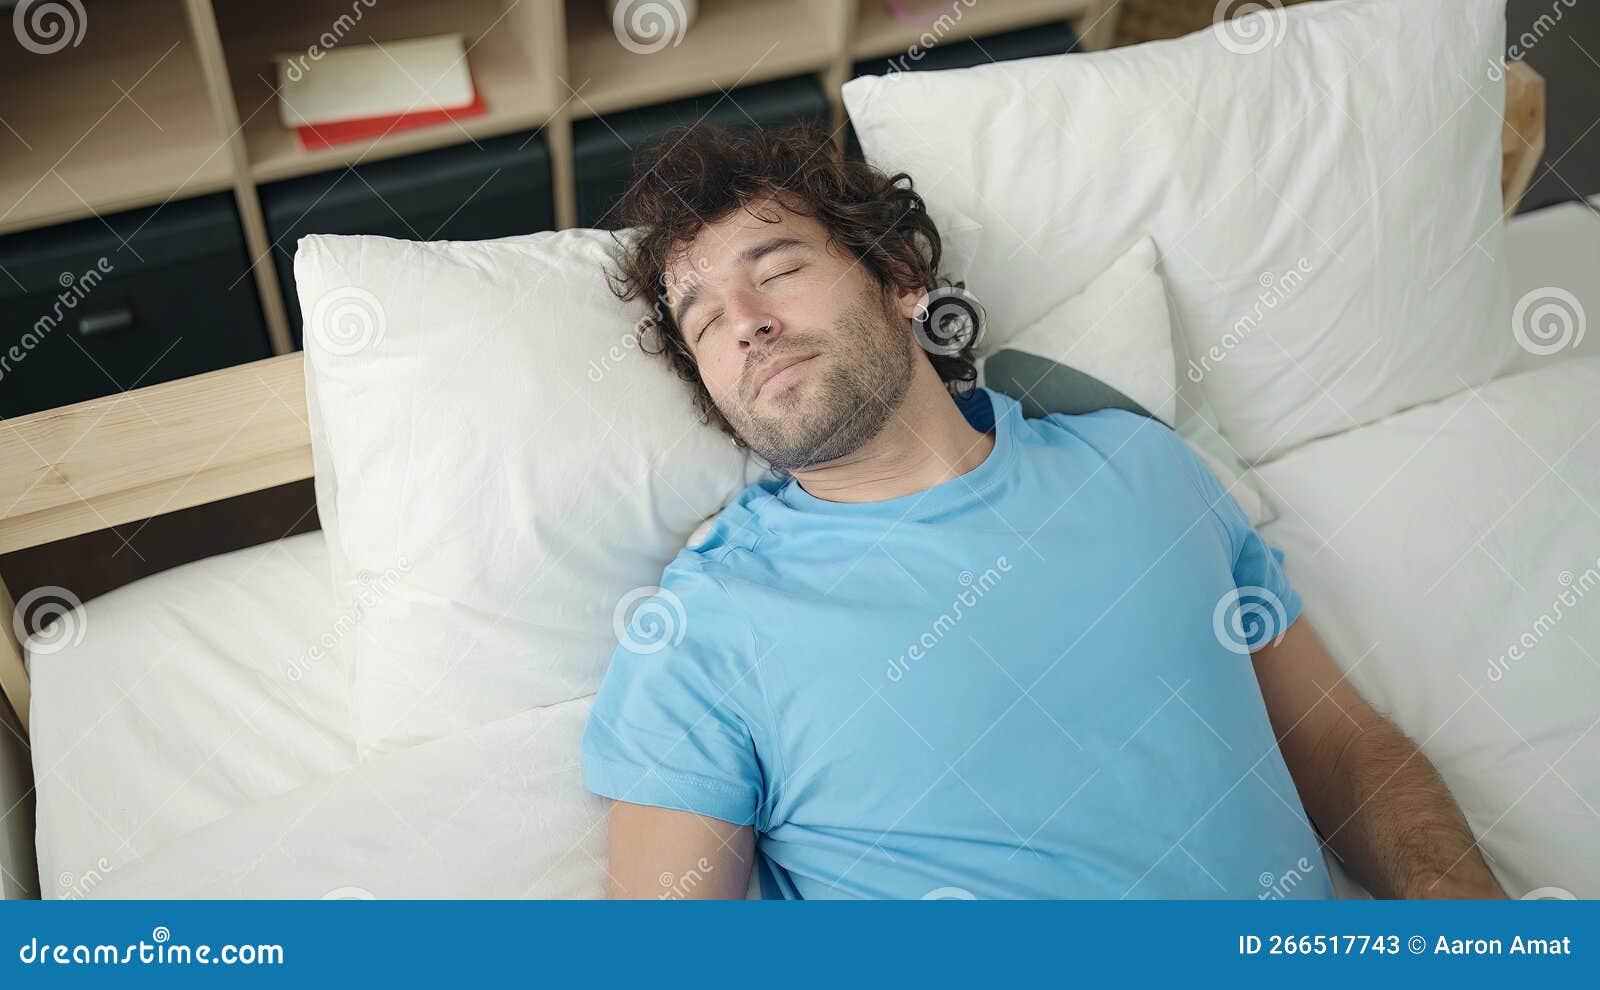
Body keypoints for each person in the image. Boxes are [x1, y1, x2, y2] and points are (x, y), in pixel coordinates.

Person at [581, 122, 1505, 900]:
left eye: (776, 269)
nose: (744, 321)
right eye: (703, 321)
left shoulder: (1141, 468)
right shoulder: (704, 629)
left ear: (902, 275)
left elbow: (1345, 748)